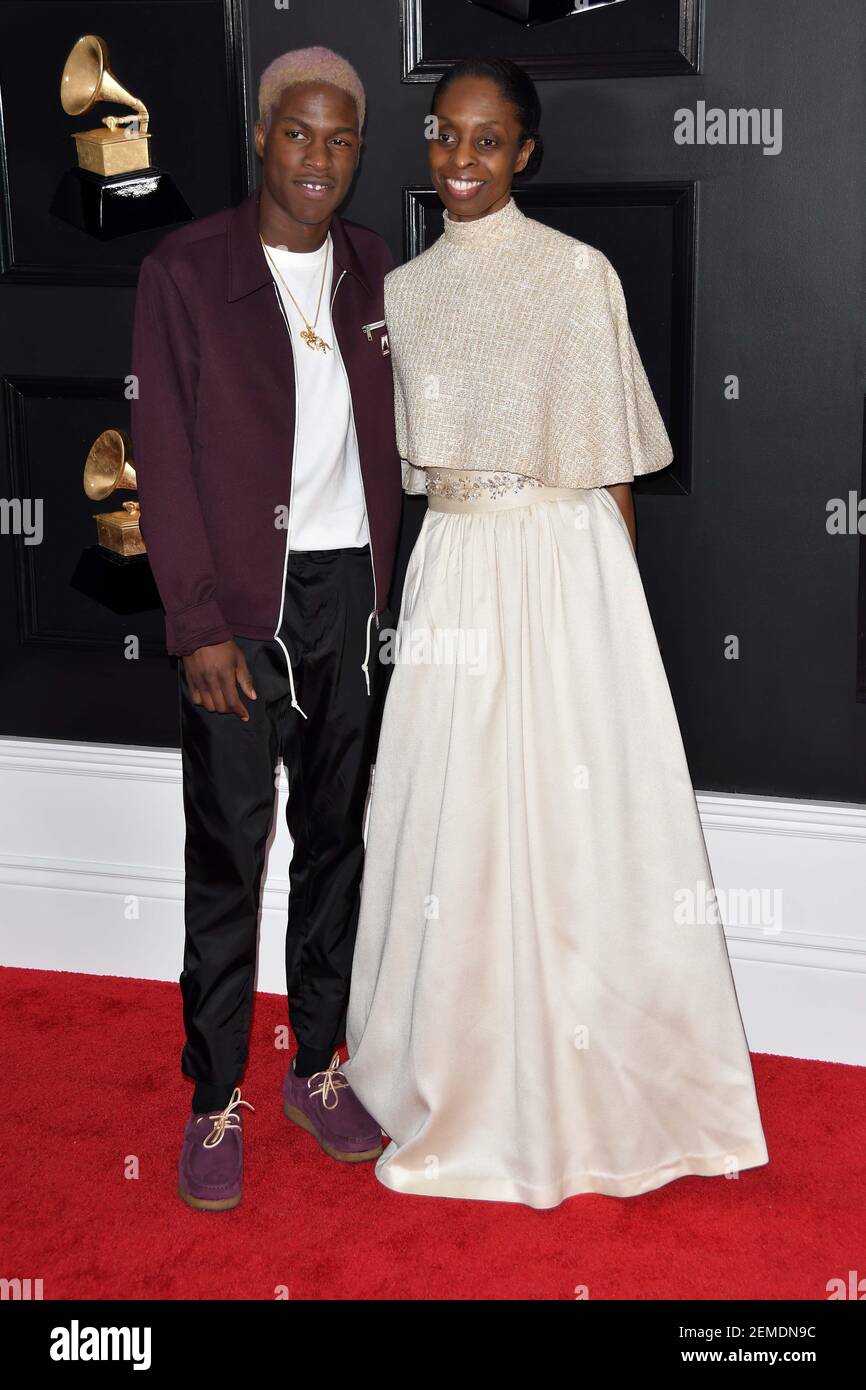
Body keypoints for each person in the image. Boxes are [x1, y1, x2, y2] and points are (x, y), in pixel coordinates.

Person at [344, 57, 770, 1208]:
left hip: (564, 566)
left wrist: (611, 634)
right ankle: (449, 1067)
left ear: (525, 152)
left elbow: (610, 477)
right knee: (451, 822)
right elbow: (409, 472)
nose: (463, 160)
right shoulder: (406, 292)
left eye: (489, 141)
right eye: (446, 136)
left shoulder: (579, 276)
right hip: (455, 567)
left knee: (581, 818)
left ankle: (608, 1083)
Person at [130, 47, 402, 1211]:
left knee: (337, 843)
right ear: (259, 135)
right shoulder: (185, 271)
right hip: (240, 607)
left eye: (340, 139)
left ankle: (318, 1067)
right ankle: (213, 1095)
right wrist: (196, 624)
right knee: (229, 856)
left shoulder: (376, 270)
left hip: (350, 597)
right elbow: (161, 465)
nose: (319, 159)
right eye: (298, 133)